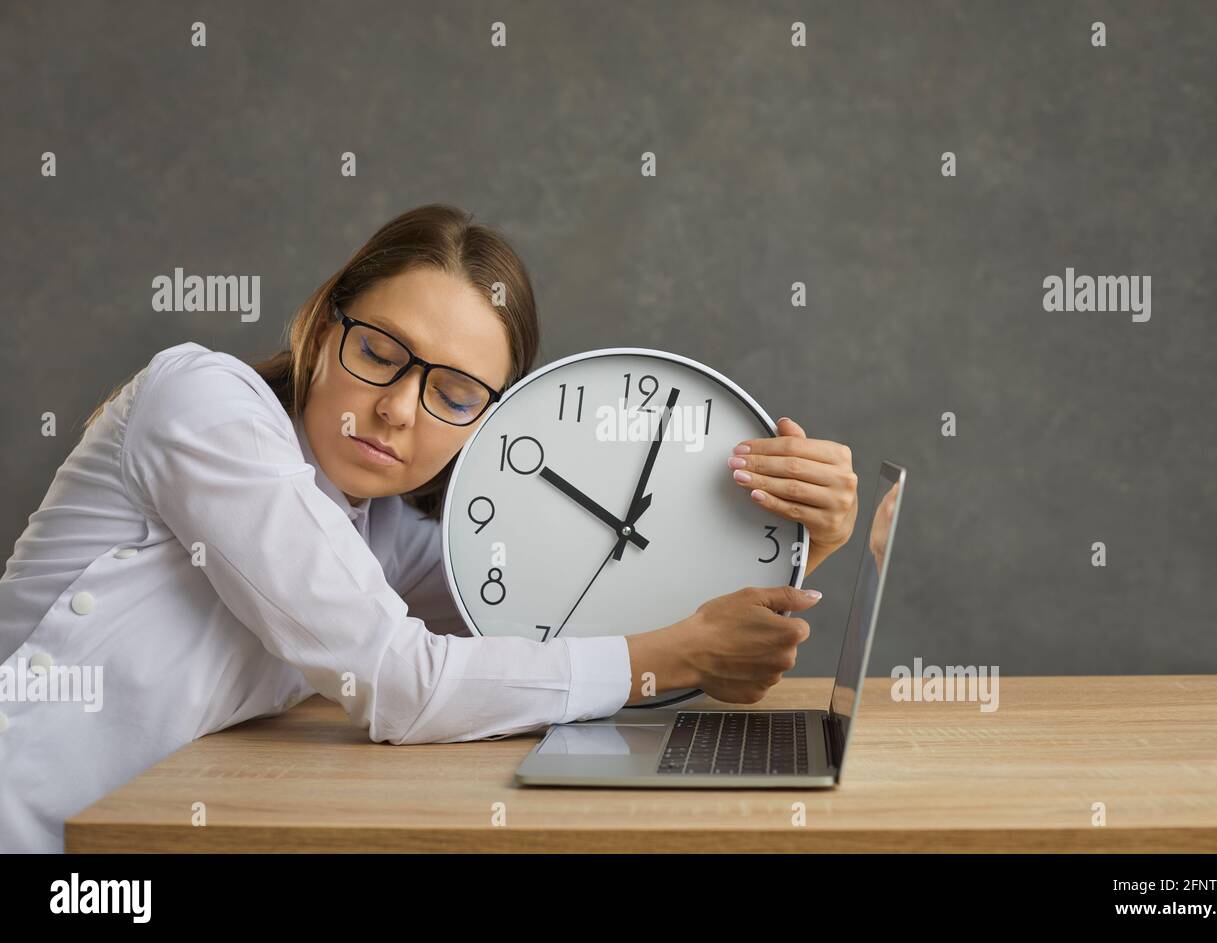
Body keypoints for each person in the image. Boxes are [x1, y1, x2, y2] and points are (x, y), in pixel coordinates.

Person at [0, 204, 860, 852]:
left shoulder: (388, 538)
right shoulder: (203, 404)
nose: (397, 409)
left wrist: (788, 547)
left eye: (453, 395)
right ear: (319, 323)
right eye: (379, 351)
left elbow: (559, 630)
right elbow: (401, 681)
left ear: (487, 422)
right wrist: (688, 653)